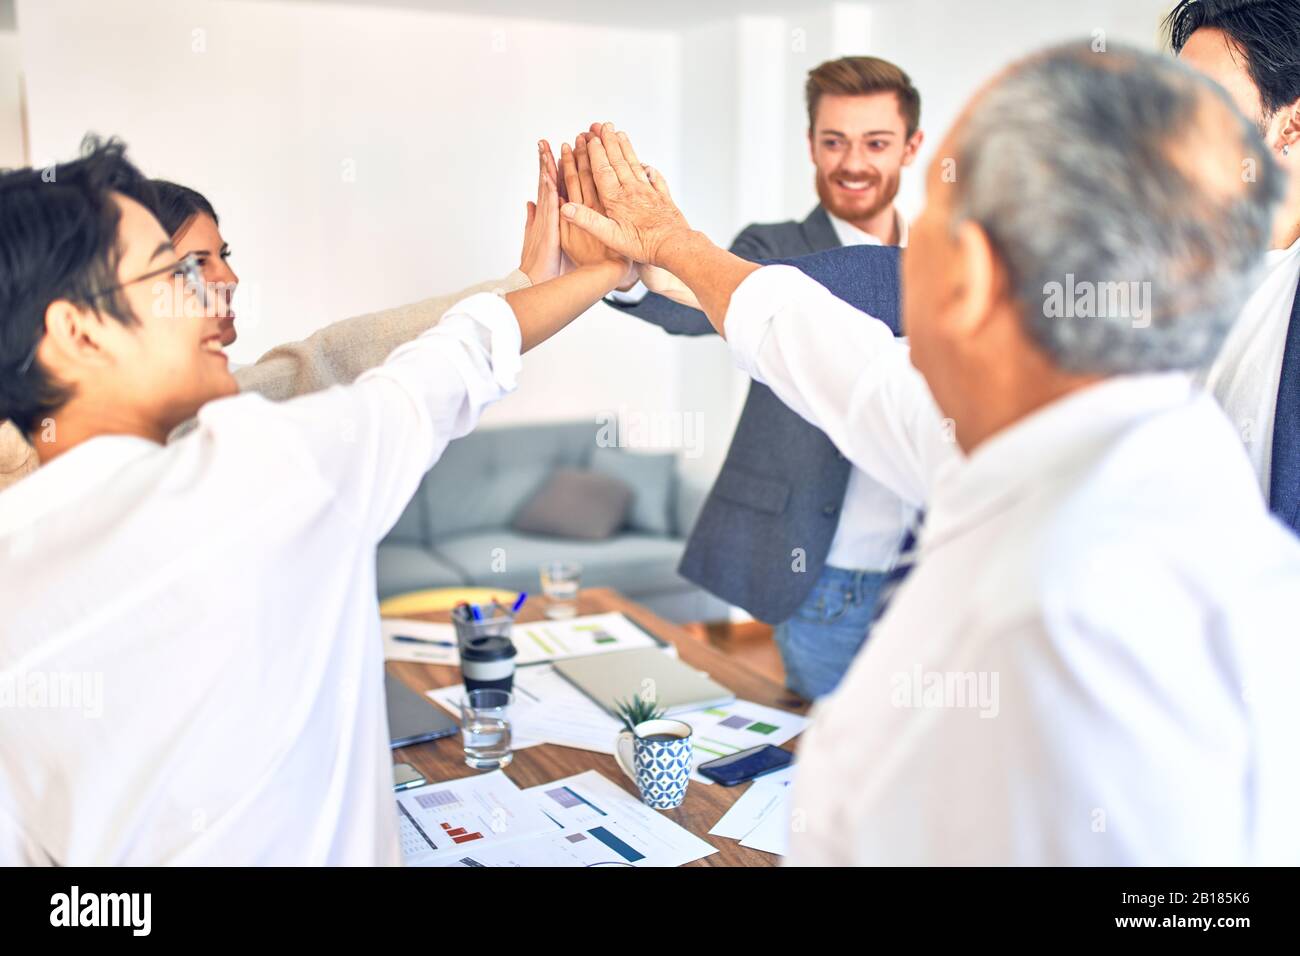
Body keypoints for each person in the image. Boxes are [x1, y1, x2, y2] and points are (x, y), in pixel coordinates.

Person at [559, 42, 1300, 863]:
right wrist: (674, 251)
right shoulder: (1051, 437)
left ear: (972, 277)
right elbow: (850, 368)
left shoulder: (1075, 625)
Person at [0, 137, 628, 864]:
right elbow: (444, 366)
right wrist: (608, 269)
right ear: (77, 332)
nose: (213, 291)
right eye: (174, 274)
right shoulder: (255, 472)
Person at [599, 56, 924, 700]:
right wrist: (632, 275)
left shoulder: (940, 264)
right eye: (833, 141)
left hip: (922, 572)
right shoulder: (772, 250)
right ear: (810, 145)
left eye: (875, 142)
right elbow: (695, 305)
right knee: (818, 742)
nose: (852, 162)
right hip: (817, 564)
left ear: (911, 147)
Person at [0, 141, 567, 492]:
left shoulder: (219, 425)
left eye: (223, 257)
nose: (223, 281)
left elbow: (331, 360)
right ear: (76, 331)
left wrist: (527, 286)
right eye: (183, 270)